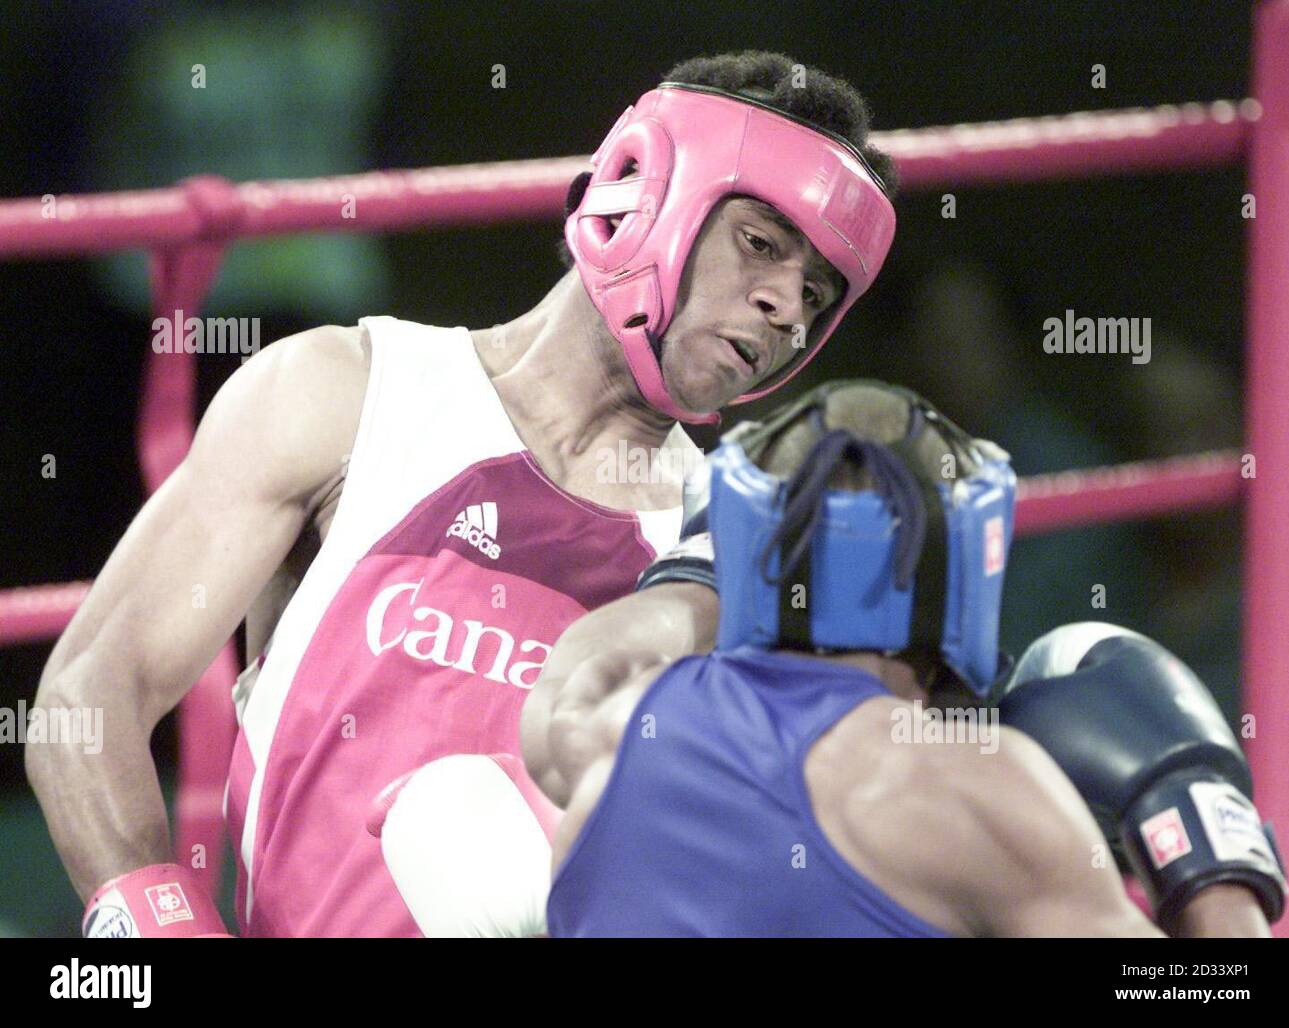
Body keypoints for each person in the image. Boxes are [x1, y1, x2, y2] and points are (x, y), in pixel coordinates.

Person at [27, 51, 899, 937]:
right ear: (646, 190)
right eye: (761, 244)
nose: (786, 305)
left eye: (817, 290)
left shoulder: (730, 548)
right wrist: (154, 924)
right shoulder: (346, 394)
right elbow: (90, 691)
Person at [519, 380, 1286, 936]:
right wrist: (1201, 840)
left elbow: (623, 639)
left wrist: (727, 564)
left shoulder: (602, 722)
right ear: (964, 569)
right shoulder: (978, 790)